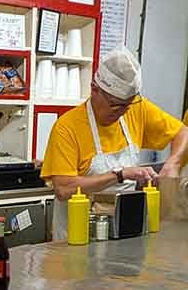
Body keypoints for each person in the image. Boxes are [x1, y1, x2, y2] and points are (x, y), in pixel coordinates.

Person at [41, 45, 188, 240]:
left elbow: (182, 131)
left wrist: (173, 163)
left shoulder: (136, 109)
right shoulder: (67, 128)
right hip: (77, 239)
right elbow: (63, 189)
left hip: (120, 233)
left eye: (127, 105)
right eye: (115, 105)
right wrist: (120, 174)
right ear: (94, 89)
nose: (122, 112)